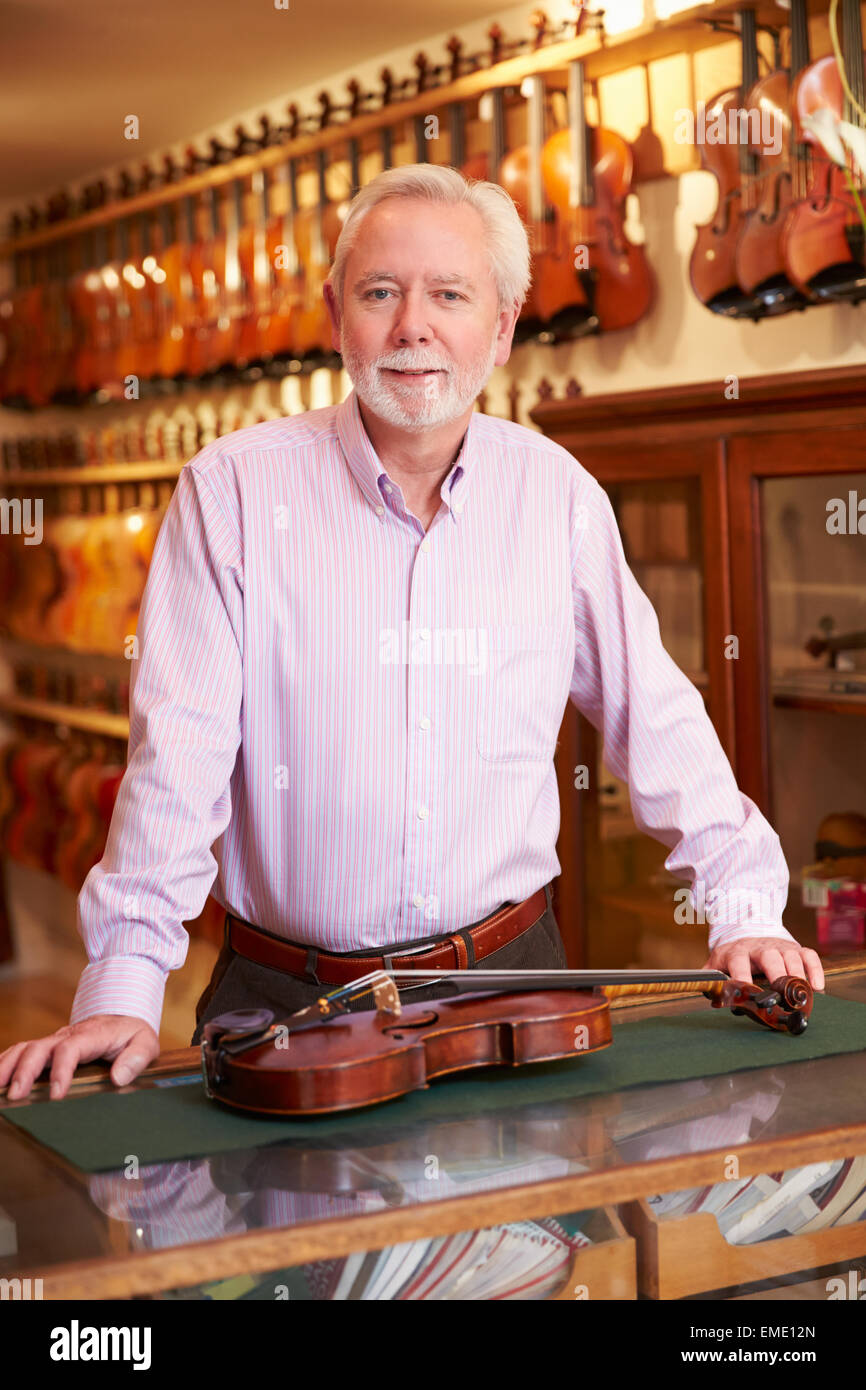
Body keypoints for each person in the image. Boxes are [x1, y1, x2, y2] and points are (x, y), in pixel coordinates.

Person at [0, 164, 823, 1102]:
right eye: (380, 292)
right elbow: (176, 761)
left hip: (519, 991)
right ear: (335, 313)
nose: (412, 327)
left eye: (449, 295)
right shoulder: (230, 493)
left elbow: (658, 717)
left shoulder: (558, 498)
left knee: (526, 1246)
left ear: (504, 325)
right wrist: (125, 990)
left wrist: (746, 909)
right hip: (287, 1004)